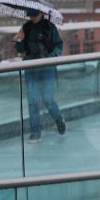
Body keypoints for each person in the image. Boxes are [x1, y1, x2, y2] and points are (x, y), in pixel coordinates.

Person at [15, 8, 66, 141]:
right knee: (33, 101)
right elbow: (20, 50)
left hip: (47, 67)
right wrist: (19, 40)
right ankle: (35, 133)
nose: (32, 18)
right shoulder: (26, 27)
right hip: (30, 67)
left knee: (48, 99)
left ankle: (59, 118)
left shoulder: (49, 27)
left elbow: (59, 46)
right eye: (30, 16)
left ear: (41, 13)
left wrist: (50, 58)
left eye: (35, 15)